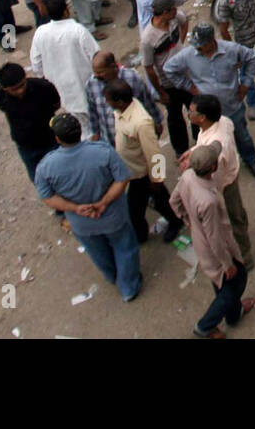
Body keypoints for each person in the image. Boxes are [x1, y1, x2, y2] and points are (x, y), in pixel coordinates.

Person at [34, 113, 142, 302]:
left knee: (98, 252)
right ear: (79, 131)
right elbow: (122, 178)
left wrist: (75, 208)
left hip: (82, 223)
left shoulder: (46, 166)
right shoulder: (102, 151)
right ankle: (128, 288)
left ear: (57, 138)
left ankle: (112, 276)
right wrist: (103, 202)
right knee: (125, 247)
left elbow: (47, 197)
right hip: (112, 216)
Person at [170, 140, 249, 338]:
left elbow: (174, 201)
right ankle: (205, 326)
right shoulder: (208, 201)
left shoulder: (188, 176)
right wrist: (227, 263)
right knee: (236, 281)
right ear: (213, 168)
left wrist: (188, 220)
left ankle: (234, 314)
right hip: (215, 250)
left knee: (221, 283)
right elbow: (215, 238)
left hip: (200, 240)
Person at [162, 24, 255, 177]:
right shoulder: (189, 54)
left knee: (242, 135)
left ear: (211, 42)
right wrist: (189, 87)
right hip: (207, 112)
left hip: (232, 105)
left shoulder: (230, 49)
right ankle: (217, 167)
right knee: (211, 140)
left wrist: (245, 84)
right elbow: (169, 69)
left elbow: (252, 57)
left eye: (201, 46)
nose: (198, 49)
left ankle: (250, 159)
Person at [178, 95, 254, 269]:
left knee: (233, 220)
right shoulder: (223, 121)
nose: (188, 113)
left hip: (225, 185)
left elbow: (213, 180)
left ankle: (245, 257)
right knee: (236, 215)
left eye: (191, 111)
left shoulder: (216, 155)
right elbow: (204, 145)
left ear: (202, 117)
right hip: (228, 175)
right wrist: (194, 152)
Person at [103, 79, 182, 245]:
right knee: (157, 200)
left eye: (108, 99)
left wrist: (157, 179)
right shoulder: (123, 110)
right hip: (132, 169)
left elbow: (155, 153)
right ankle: (172, 220)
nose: (106, 102)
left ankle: (150, 232)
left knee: (137, 209)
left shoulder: (140, 123)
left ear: (120, 101)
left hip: (142, 173)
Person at [141, 0, 194, 156]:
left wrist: (180, 43)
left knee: (195, 108)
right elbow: (149, 68)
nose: (176, 11)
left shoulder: (175, 18)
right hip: (169, 84)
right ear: (164, 13)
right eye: (173, 9)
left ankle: (200, 138)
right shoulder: (148, 39)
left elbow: (184, 22)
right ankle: (181, 150)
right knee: (175, 117)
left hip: (186, 75)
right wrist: (161, 92)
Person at [29, 0, 100, 118]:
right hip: (84, 91)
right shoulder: (78, 30)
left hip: (59, 95)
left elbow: (36, 65)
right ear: (66, 11)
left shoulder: (40, 32)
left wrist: (46, 80)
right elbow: (96, 58)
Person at [0, 63, 61, 184]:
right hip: (25, 145)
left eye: (22, 85)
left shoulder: (44, 87)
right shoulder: (0, 94)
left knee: (60, 174)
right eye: (14, 89)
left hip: (50, 139)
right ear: (5, 88)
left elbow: (56, 105)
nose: (20, 91)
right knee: (38, 180)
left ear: (25, 77)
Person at [85, 50, 164, 146]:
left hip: (135, 138)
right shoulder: (91, 84)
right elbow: (92, 111)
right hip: (110, 140)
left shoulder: (132, 78)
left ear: (113, 67)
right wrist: (95, 134)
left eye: (100, 72)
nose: (96, 76)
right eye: (95, 72)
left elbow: (147, 101)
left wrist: (157, 121)